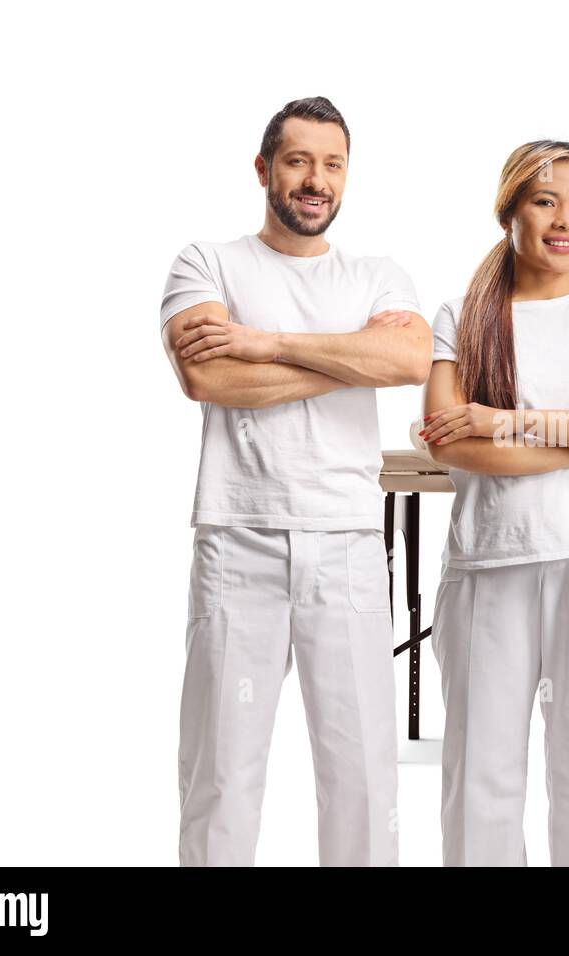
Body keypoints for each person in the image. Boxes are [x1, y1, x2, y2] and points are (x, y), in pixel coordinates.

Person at [158, 96, 431, 866]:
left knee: (363, 775)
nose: (316, 180)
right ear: (264, 169)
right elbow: (207, 374)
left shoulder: (379, 274)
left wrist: (264, 341)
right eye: (299, 160)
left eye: (333, 164)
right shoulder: (206, 263)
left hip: (346, 539)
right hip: (237, 538)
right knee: (221, 773)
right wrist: (345, 361)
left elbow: (409, 361)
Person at [421, 140, 569, 866]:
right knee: (480, 781)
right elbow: (448, 438)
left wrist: (504, 419)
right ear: (511, 210)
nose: (568, 221)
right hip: (488, 569)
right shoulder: (461, 316)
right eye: (547, 200)